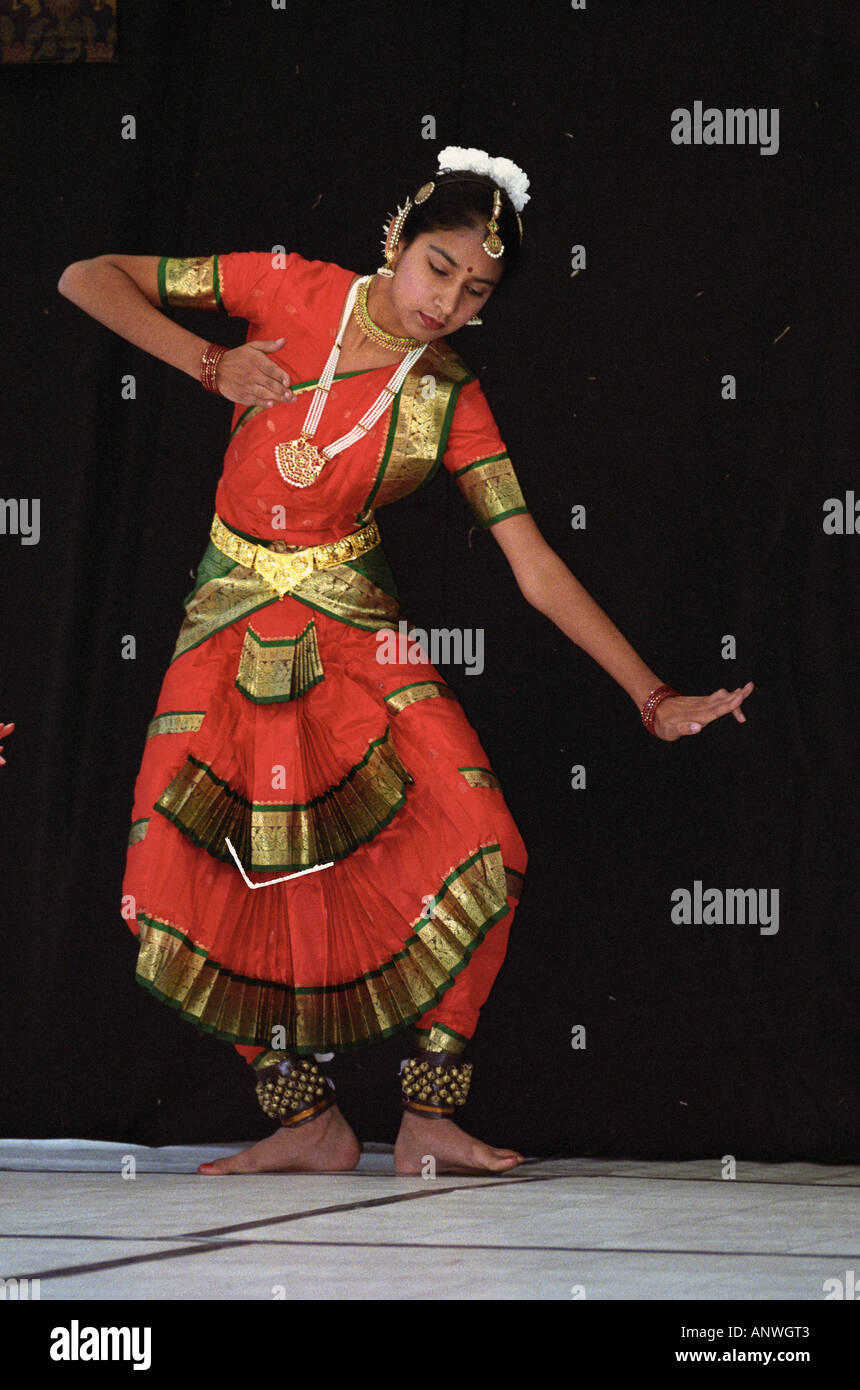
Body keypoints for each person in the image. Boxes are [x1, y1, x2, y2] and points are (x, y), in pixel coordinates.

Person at [57, 146, 754, 1178]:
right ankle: (304, 1116)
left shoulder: (445, 397)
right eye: (436, 267)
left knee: (487, 841)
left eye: (473, 291)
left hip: (355, 628)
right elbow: (85, 276)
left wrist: (648, 695)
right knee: (183, 878)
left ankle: (428, 1110)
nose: (445, 301)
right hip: (227, 623)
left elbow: (532, 564)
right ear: (397, 240)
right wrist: (208, 364)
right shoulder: (281, 284)